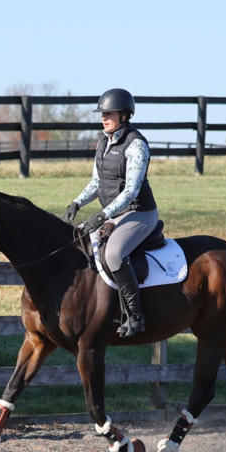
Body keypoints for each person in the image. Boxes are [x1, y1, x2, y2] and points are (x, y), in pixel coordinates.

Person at [64, 88, 159, 338]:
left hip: (139, 213)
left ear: (124, 115)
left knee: (114, 254)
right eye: (102, 113)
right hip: (114, 212)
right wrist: (77, 202)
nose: (103, 117)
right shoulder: (103, 142)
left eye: (109, 113)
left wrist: (102, 215)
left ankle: (136, 315)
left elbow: (131, 191)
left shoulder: (136, 145)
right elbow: (97, 182)